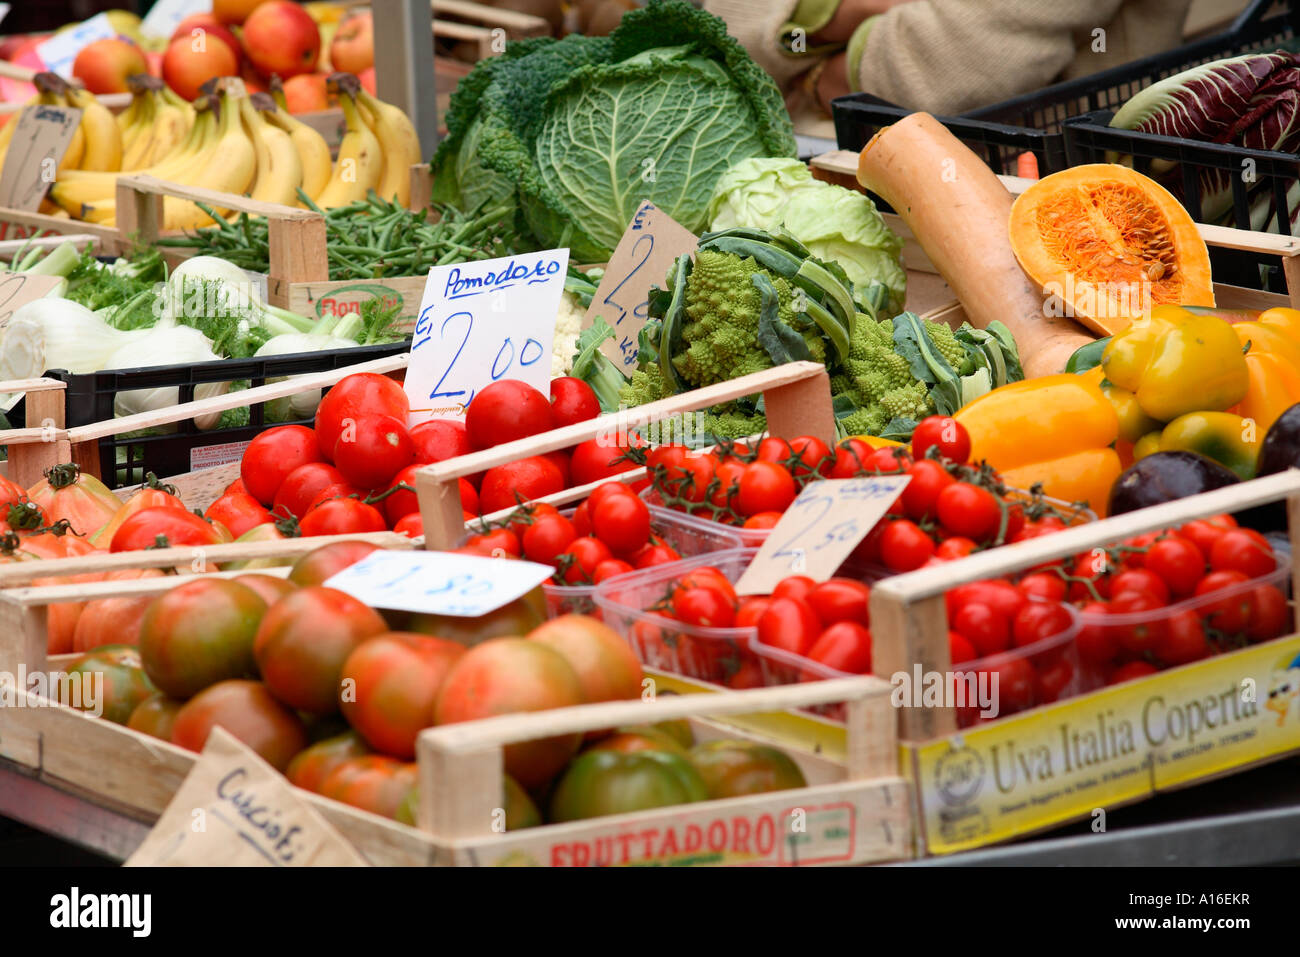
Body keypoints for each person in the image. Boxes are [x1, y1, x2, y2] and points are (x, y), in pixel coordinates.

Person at [705, 0, 1193, 117]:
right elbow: (725, 24)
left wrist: (812, 76)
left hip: (1046, 173)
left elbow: (940, 73)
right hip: (815, 153)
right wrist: (849, 13)